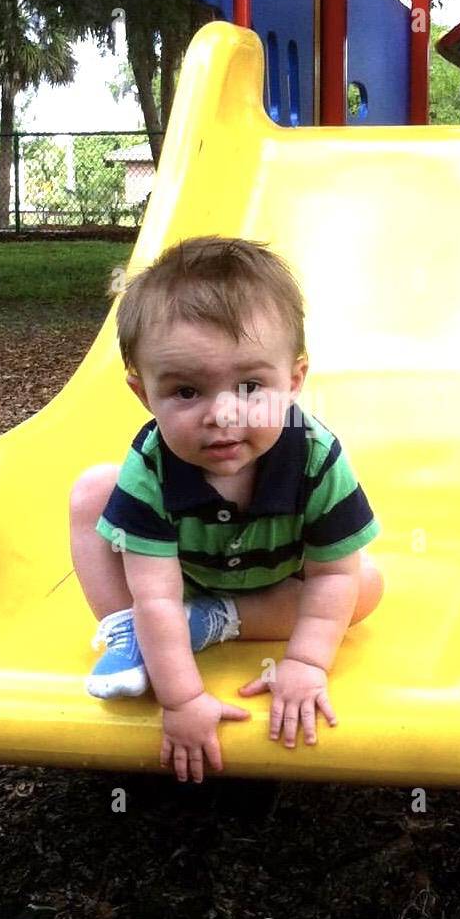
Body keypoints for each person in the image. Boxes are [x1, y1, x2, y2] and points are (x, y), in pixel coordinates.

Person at [69, 235, 384, 782]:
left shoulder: (317, 458)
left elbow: (332, 575)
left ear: (294, 382)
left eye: (250, 385)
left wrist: (305, 663)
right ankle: (129, 633)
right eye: (187, 392)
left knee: (365, 584)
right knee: (94, 490)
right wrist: (183, 700)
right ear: (144, 394)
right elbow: (156, 596)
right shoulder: (151, 467)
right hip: (174, 581)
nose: (223, 414)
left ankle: (208, 622)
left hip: (271, 586)